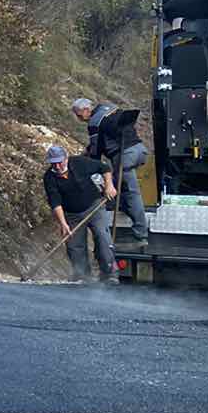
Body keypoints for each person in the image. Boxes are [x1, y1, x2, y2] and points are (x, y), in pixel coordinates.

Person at [71, 96, 149, 246]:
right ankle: (122, 208)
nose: (80, 119)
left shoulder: (94, 122)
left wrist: (87, 169)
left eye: (79, 115)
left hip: (125, 155)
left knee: (132, 193)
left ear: (86, 110)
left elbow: (95, 154)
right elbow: (104, 137)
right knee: (119, 188)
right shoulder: (109, 108)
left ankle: (141, 234)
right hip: (140, 151)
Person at [43, 144, 119, 284]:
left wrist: (109, 185)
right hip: (72, 214)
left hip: (94, 206)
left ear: (66, 159)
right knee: (74, 245)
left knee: (102, 237)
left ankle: (110, 272)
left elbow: (104, 168)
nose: (57, 166)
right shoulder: (49, 178)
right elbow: (55, 203)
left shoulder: (79, 163)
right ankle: (83, 275)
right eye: (54, 164)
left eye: (59, 162)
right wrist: (63, 224)